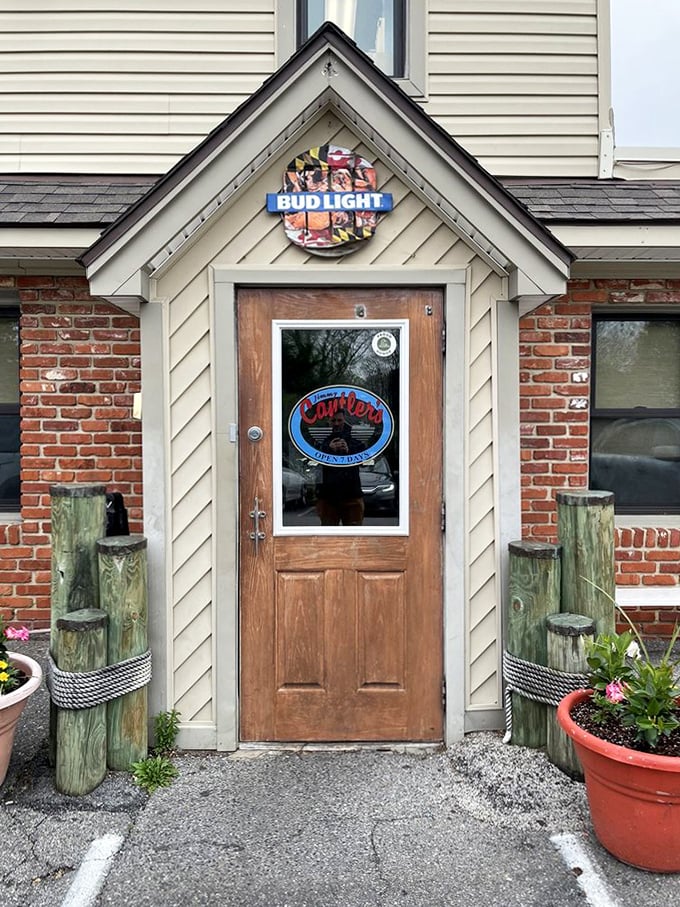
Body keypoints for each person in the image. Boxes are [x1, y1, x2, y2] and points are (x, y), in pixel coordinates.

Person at [315, 409, 365, 526]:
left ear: (344, 420)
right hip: (328, 495)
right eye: (333, 420)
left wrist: (349, 450)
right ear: (328, 421)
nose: (336, 423)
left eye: (339, 420)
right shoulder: (321, 437)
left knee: (354, 535)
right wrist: (328, 449)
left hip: (352, 493)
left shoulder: (354, 437)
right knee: (328, 535)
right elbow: (311, 458)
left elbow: (363, 458)